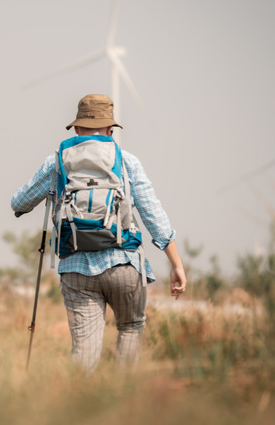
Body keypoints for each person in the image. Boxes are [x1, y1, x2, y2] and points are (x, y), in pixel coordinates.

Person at [11, 94, 187, 372]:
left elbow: (19, 203)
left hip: (76, 267)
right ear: (110, 130)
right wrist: (176, 264)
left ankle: (82, 409)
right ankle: (121, 404)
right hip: (125, 264)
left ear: (77, 129)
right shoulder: (127, 161)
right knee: (130, 328)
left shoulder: (57, 161)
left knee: (84, 349)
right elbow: (154, 215)